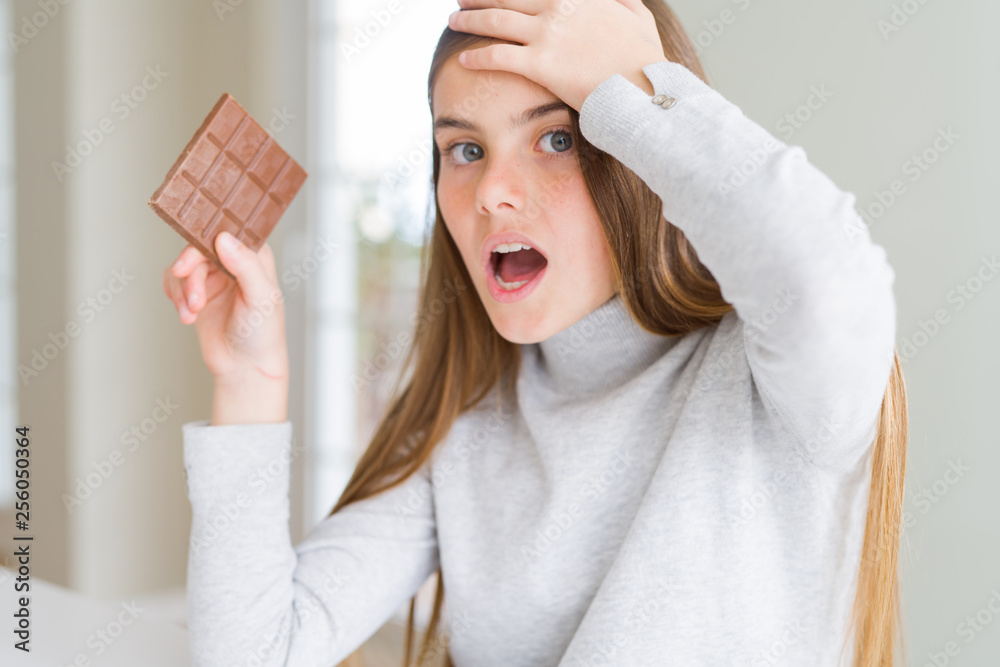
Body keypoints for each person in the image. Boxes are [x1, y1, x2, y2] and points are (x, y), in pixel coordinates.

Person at [162, 1, 908, 665]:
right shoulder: (464, 432)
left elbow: (827, 282)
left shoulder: (773, 383)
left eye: (557, 138)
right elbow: (254, 651)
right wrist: (249, 381)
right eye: (465, 148)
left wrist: (646, 88)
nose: (491, 191)